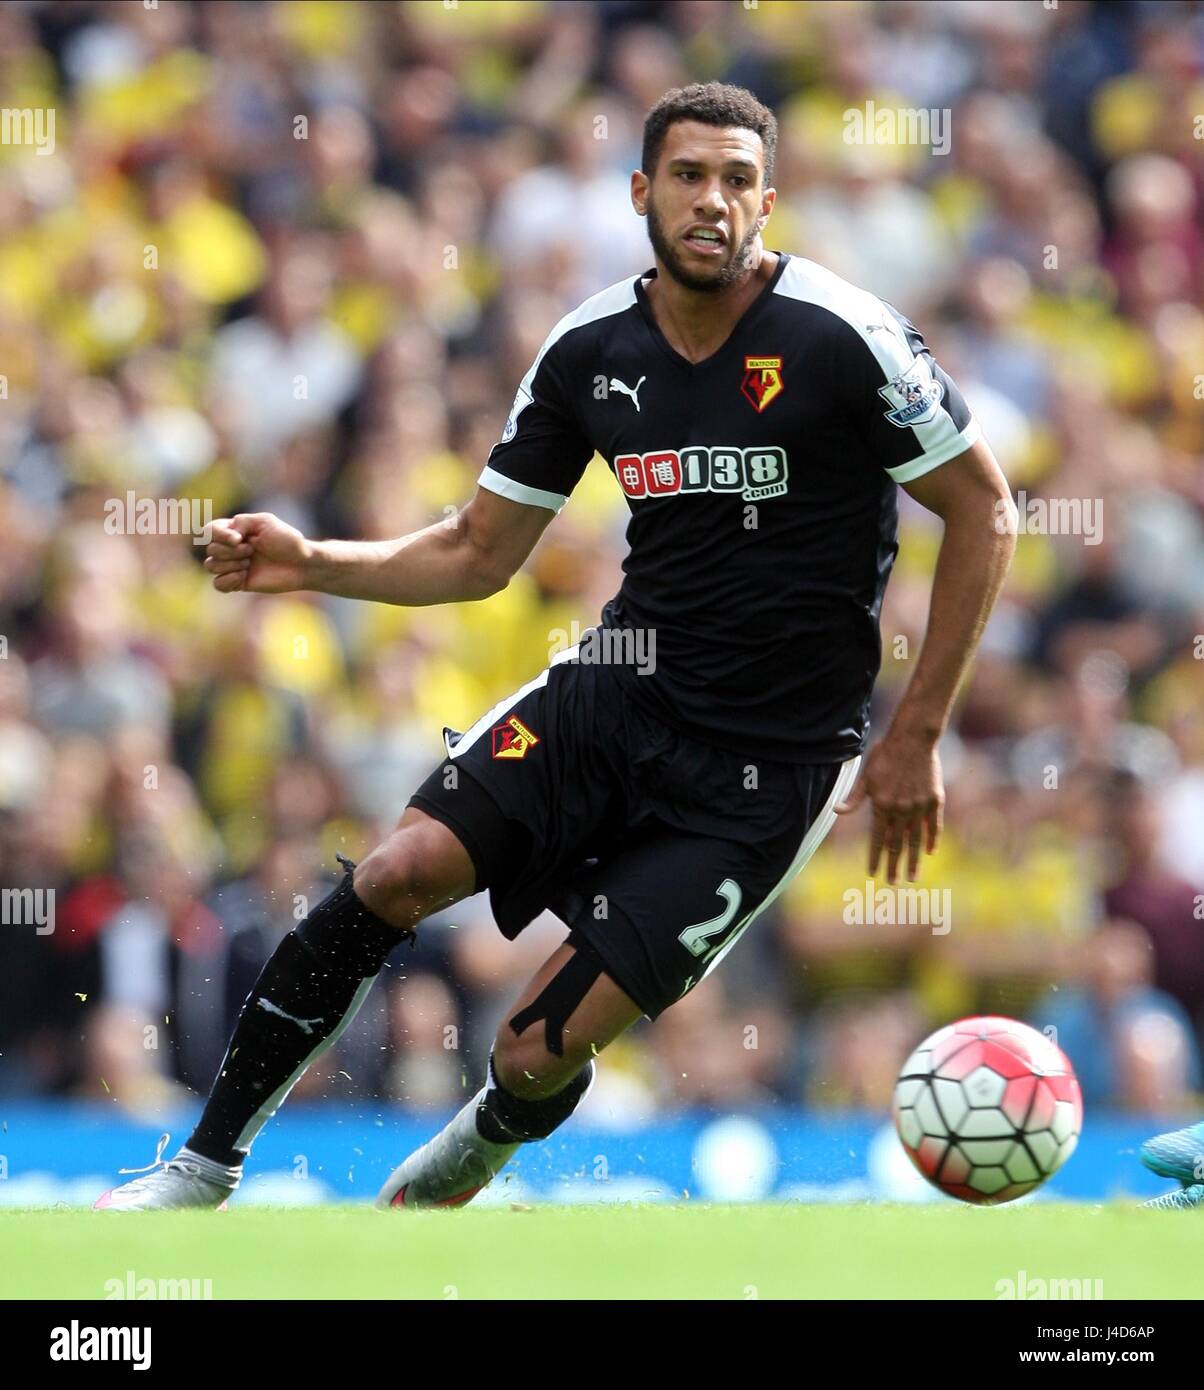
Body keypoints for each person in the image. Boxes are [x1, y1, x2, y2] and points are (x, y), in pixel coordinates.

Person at [95, 82, 1015, 1211]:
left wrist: (915, 731)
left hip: (768, 767)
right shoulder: (589, 348)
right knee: (394, 872)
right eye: (688, 176)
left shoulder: (845, 339)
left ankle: (480, 1144)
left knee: (532, 1054)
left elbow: (985, 509)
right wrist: (313, 561)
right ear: (640, 192)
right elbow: (480, 551)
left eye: (736, 181)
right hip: (617, 697)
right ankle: (202, 1166)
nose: (711, 202)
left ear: (767, 203)